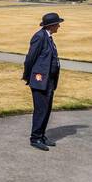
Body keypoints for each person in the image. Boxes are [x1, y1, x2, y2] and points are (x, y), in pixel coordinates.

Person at [22, 12, 63, 151]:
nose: (59, 26)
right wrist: (28, 76)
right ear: (51, 26)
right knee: (40, 109)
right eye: (58, 24)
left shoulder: (49, 37)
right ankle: (35, 138)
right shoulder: (39, 37)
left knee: (47, 109)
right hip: (40, 80)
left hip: (49, 80)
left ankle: (41, 135)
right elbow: (30, 59)